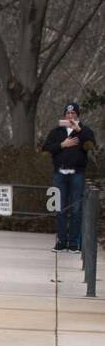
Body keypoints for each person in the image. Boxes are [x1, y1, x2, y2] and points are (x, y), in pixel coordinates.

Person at [42, 102, 97, 252]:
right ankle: (61, 242)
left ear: (77, 115)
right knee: (59, 209)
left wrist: (80, 131)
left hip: (77, 175)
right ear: (64, 115)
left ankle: (73, 243)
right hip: (60, 174)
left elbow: (90, 145)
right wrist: (62, 145)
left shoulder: (85, 131)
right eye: (68, 113)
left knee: (76, 209)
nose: (70, 116)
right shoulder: (56, 132)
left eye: (73, 114)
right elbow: (46, 149)